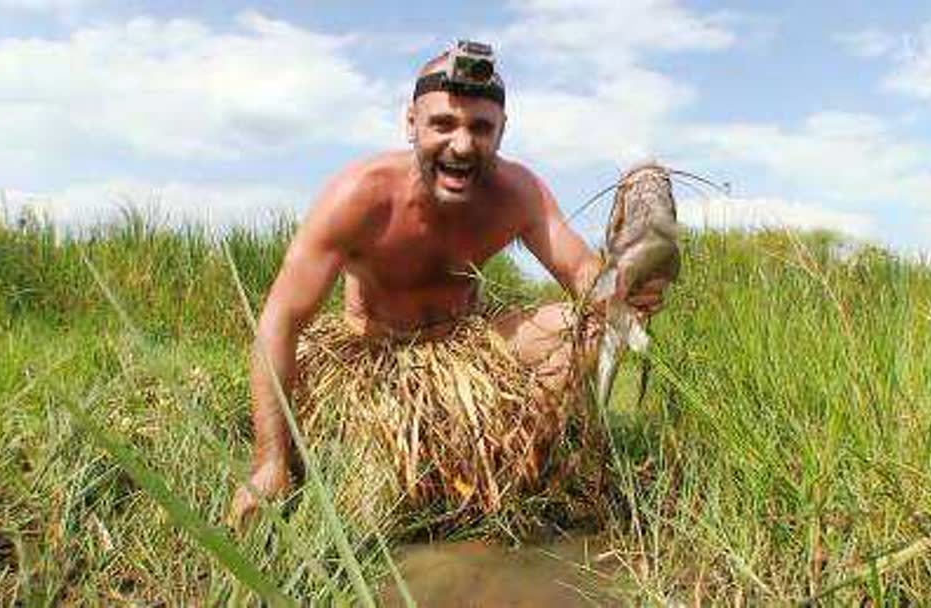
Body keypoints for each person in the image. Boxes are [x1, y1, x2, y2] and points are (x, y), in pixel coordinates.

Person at [231, 41, 669, 524]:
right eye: (443, 124)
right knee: (372, 505)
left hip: (467, 348)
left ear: (502, 131)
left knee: (587, 324)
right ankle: (417, 468)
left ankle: (519, 465)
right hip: (375, 360)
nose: (461, 145)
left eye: (480, 127)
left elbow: (589, 288)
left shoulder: (518, 192)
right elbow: (280, 322)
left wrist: (629, 286)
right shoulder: (359, 195)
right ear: (411, 123)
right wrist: (269, 462)